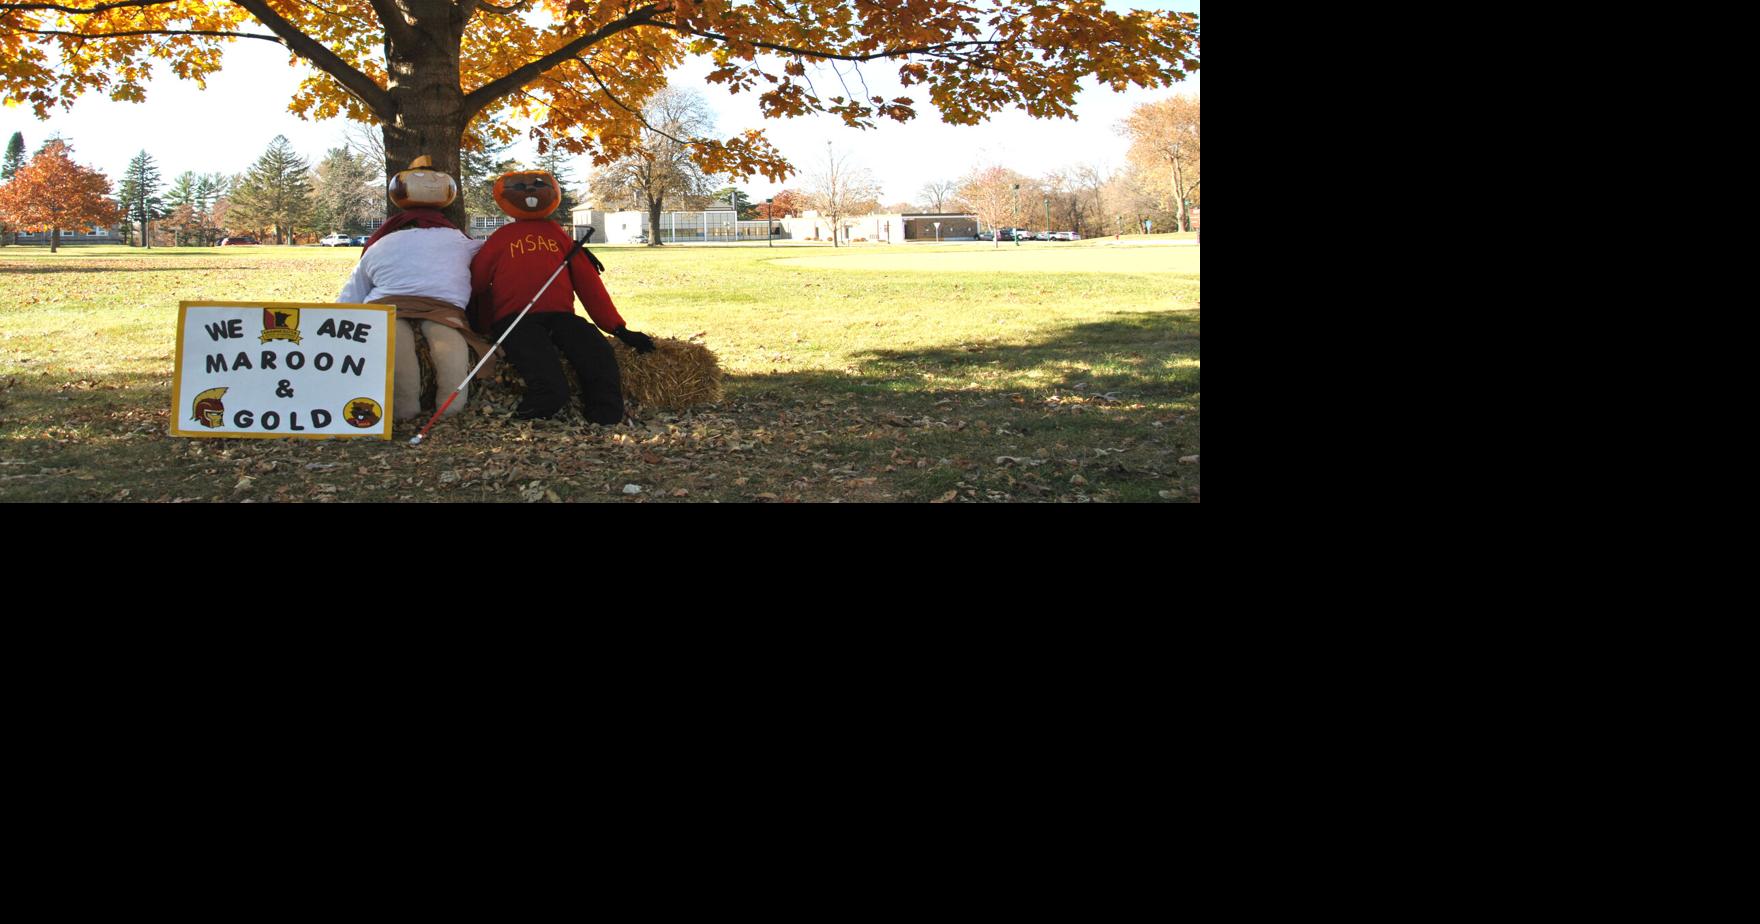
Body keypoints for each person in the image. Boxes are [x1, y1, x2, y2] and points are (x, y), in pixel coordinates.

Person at [469, 170, 655, 424]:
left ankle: (605, 411)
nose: (531, 191)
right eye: (521, 187)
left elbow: (589, 285)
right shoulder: (501, 238)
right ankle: (537, 407)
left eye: (538, 186)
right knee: (539, 364)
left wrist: (618, 329)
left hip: (560, 316)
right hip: (516, 319)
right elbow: (477, 281)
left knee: (596, 351)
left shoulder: (559, 236)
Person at [336, 156, 491, 420]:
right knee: (449, 346)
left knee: (403, 343)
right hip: (430, 308)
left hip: (394, 306)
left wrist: (339, 317)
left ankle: (404, 408)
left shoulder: (381, 243)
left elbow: (354, 289)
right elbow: (488, 262)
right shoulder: (459, 241)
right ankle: (448, 409)